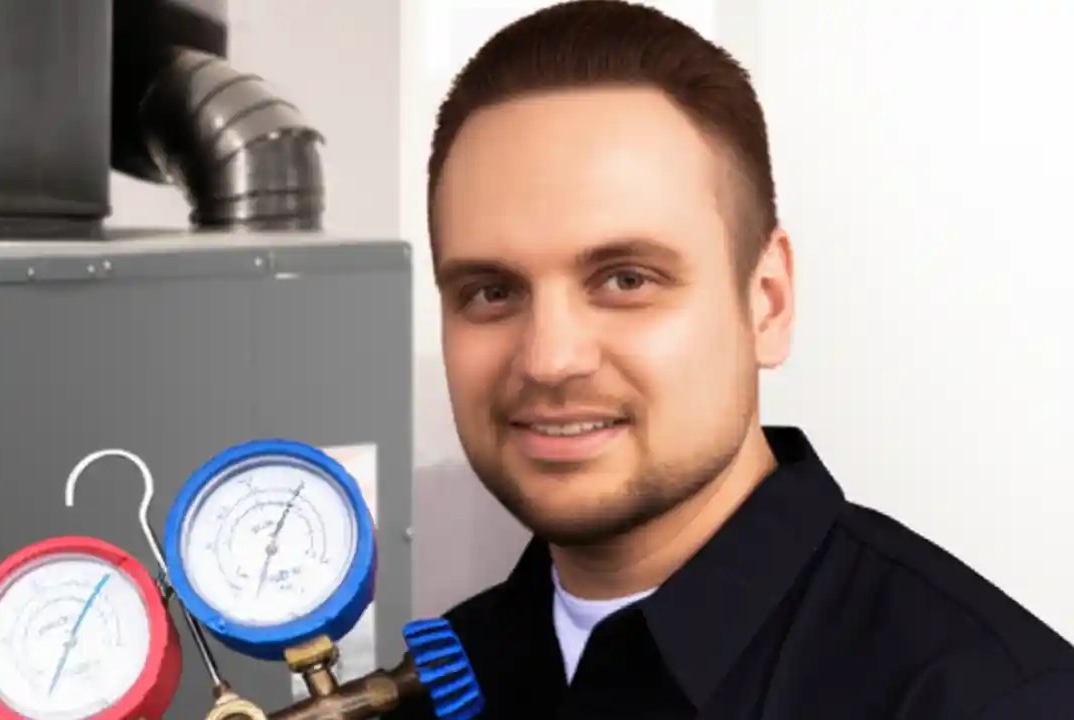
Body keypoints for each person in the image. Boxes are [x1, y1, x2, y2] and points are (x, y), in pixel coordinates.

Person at [386, 1, 1074, 718]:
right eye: (491, 291)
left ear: (767, 302)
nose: (551, 358)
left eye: (626, 279)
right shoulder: (431, 685)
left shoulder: (993, 698)